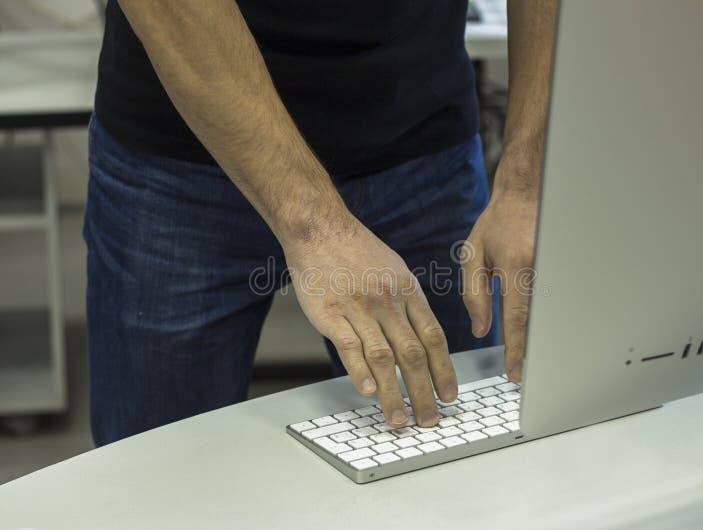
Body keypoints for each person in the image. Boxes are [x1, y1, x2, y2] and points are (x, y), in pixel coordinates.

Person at [84, 0, 557, 446]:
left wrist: (527, 179)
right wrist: (316, 225)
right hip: (180, 153)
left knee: (448, 455)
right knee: (163, 473)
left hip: (419, 136)